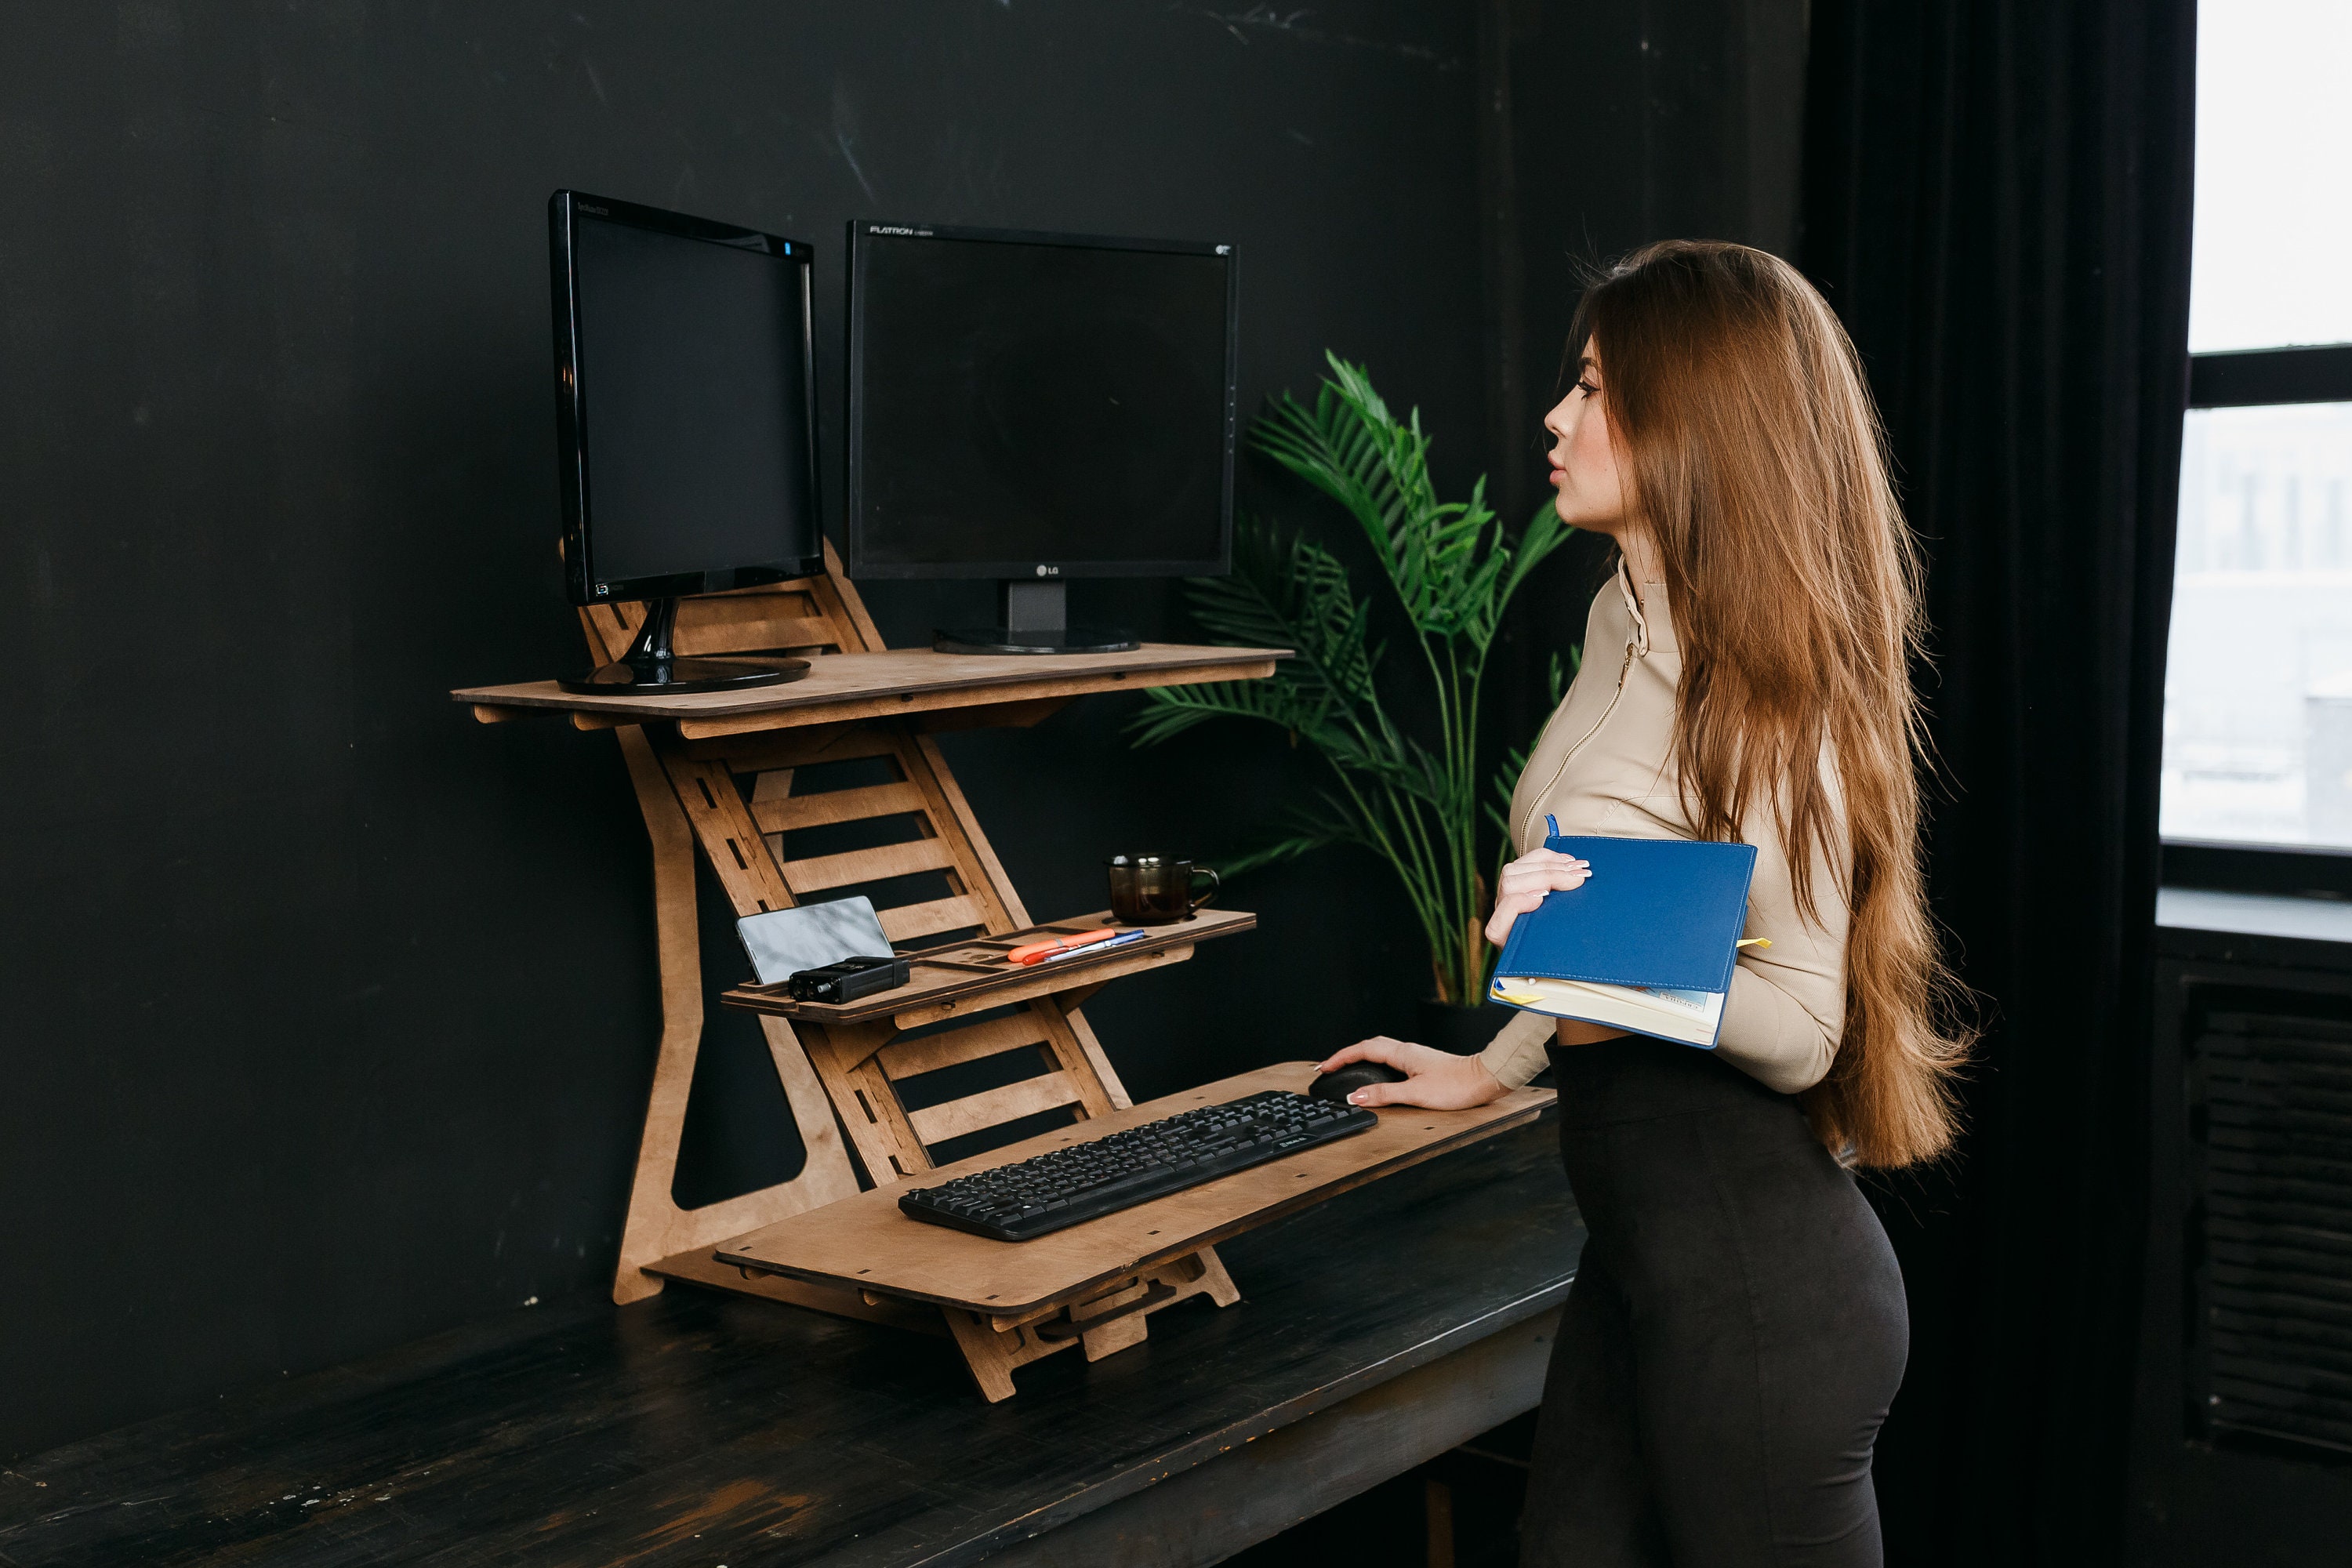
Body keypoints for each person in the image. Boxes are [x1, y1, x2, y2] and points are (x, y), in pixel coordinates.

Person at [1315, 241, 1969, 1567]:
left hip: (1763, 1286)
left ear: (1697, 422)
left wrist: (1600, 931)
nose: (1558, 416)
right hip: (1645, 1248)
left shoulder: (1772, 695)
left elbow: (1802, 1024)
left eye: (1599, 388)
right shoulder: (1624, 614)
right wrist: (1493, 1068)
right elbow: (1573, 901)